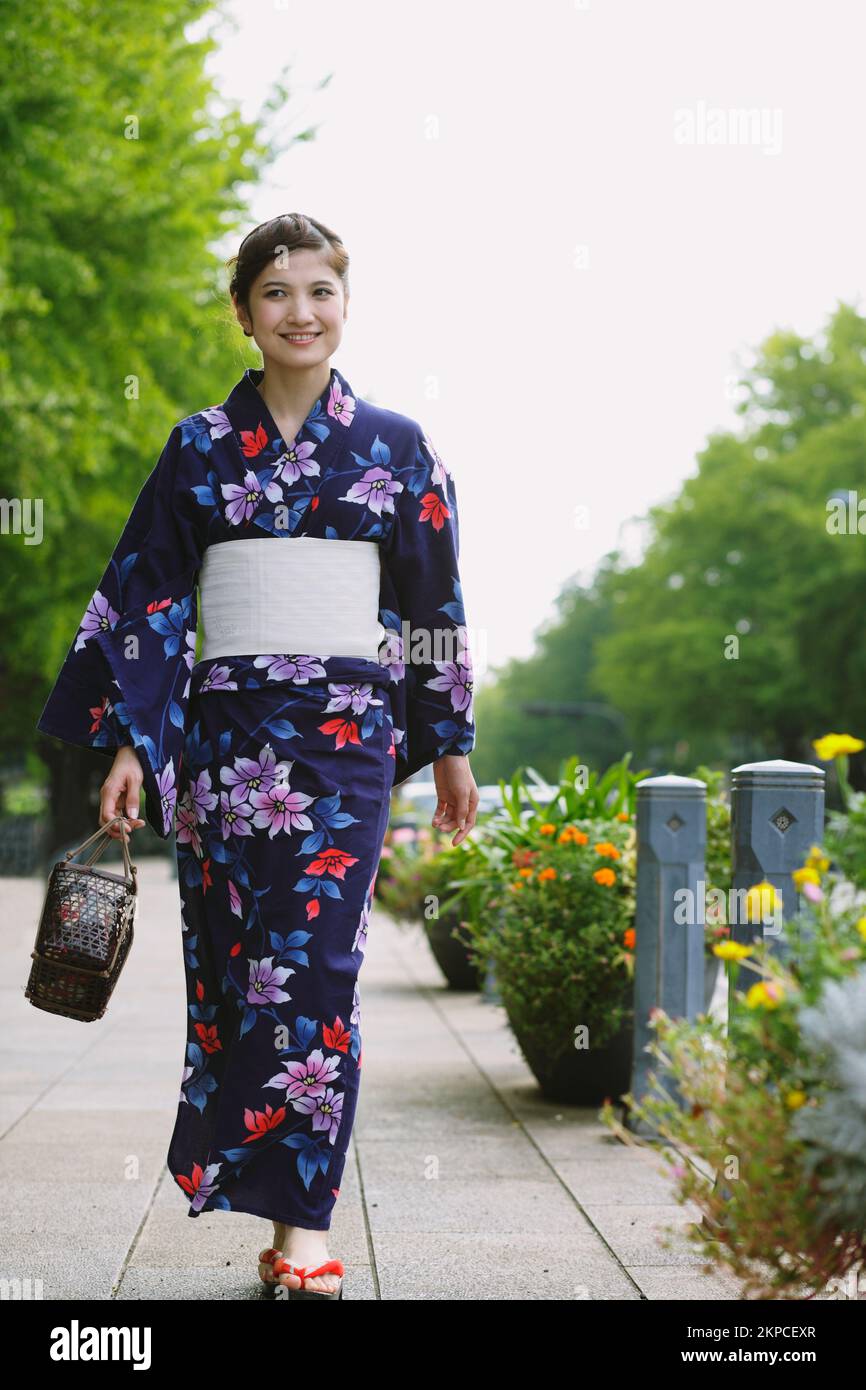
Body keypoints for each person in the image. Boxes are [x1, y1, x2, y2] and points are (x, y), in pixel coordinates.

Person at [35, 212, 479, 1299]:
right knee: (241, 973)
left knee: (320, 974)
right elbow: (145, 597)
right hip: (224, 746)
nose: (300, 312)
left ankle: (304, 1236)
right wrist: (136, 744)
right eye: (276, 293)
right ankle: (269, 1198)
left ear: (344, 304)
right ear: (243, 312)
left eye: (320, 291)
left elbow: (430, 602)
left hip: (344, 750)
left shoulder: (393, 445)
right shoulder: (196, 446)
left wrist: (453, 742)